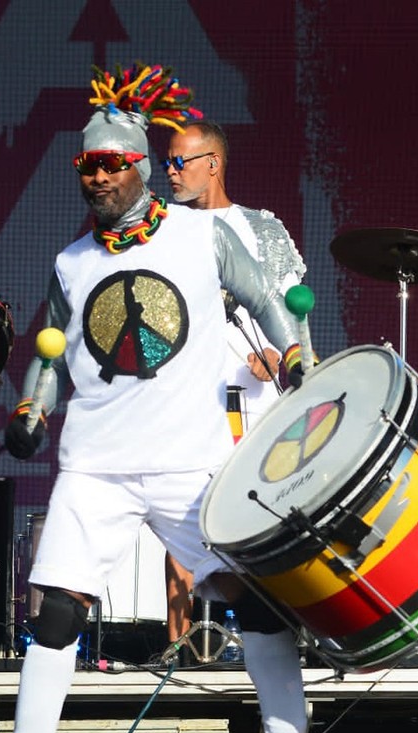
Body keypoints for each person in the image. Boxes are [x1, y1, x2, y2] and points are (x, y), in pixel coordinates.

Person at [4, 64, 311, 733]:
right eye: (87, 167)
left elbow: (266, 300)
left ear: (140, 167)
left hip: (190, 461)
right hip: (95, 465)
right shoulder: (72, 261)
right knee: (56, 614)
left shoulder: (202, 236)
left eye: (111, 165)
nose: (97, 179)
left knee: (257, 600)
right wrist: (31, 410)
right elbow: (50, 351)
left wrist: (295, 355)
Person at [161, 120, 307, 644]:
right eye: (167, 162)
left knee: (265, 522)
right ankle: (179, 646)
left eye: (181, 162)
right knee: (181, 521)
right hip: (189, 402)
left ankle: (270, 639)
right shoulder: (160, 233)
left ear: (214, 164)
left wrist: (288, 358)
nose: (170, 172)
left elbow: (293, 309)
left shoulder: (261, 228)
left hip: (259, 403)